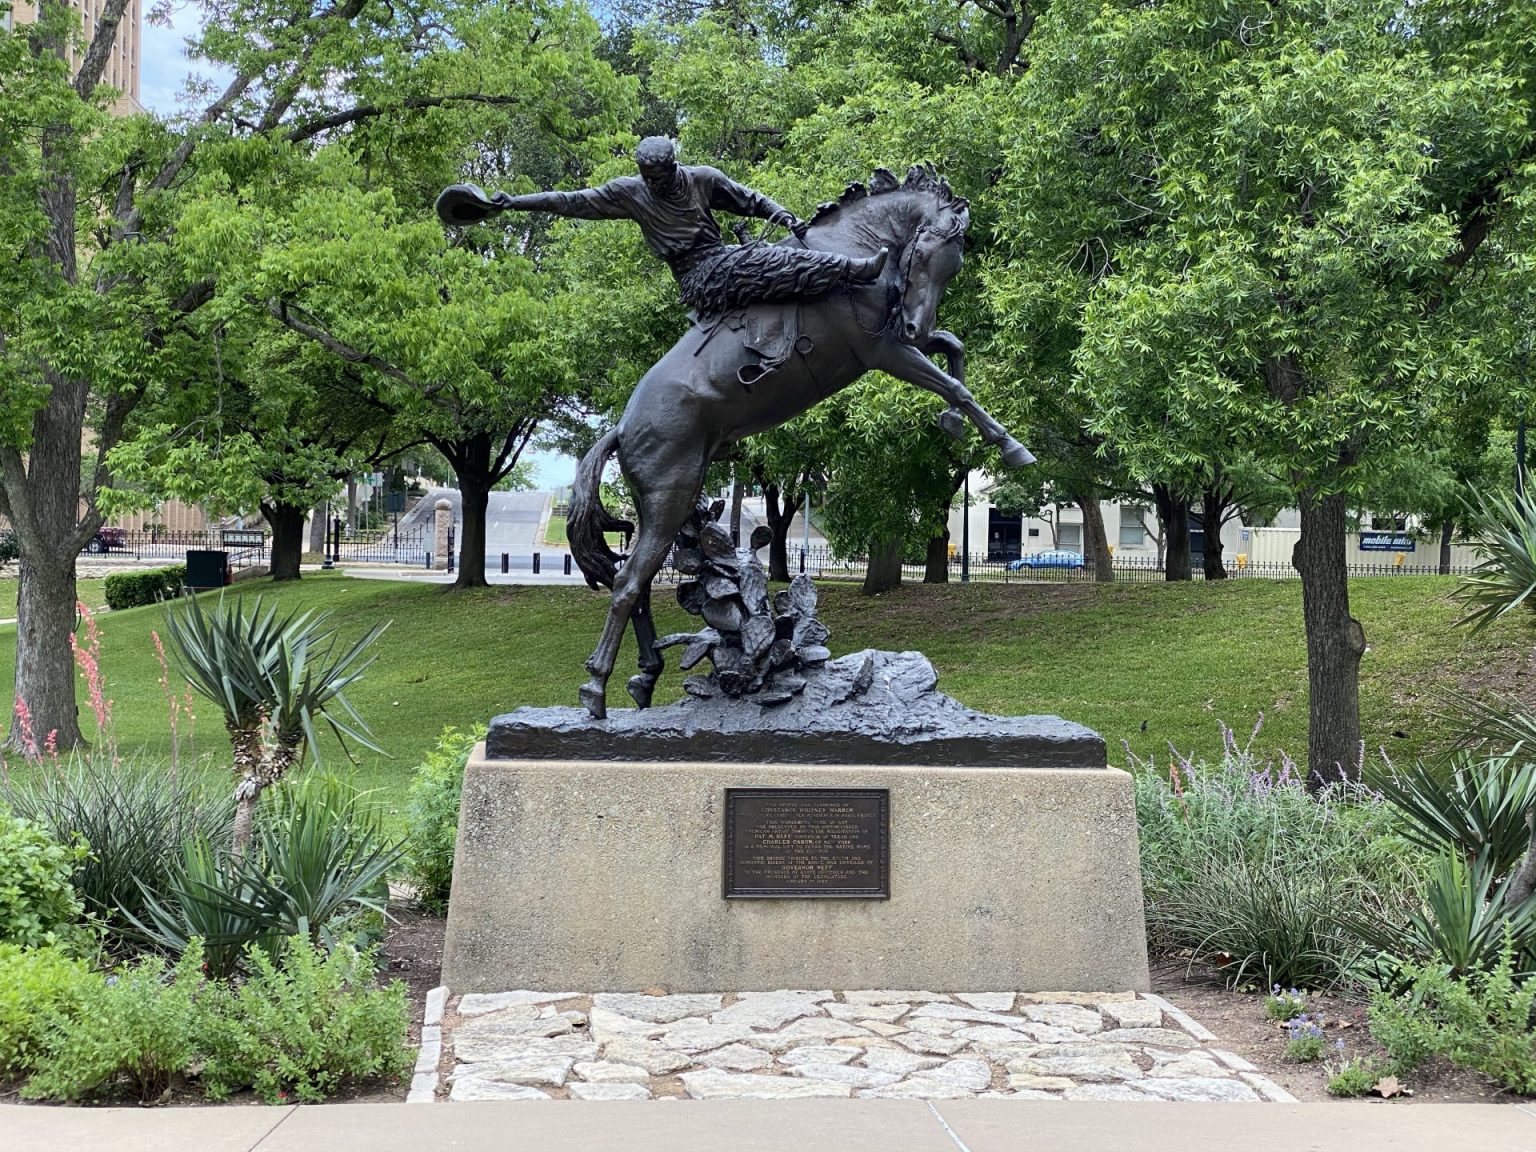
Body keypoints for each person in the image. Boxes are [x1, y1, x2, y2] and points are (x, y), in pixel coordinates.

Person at [436, 137, 888, 322]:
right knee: (770, 261)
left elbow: (749, 200)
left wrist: (785, 215)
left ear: (674, 166)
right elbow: (571, 201)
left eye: (659, 177)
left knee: (774, 252)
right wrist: (512, 202)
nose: (653, 184)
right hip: (699, 277)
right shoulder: (630, 193)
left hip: (722, 258)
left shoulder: (703, 180)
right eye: (647, 178)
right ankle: (852, 270)